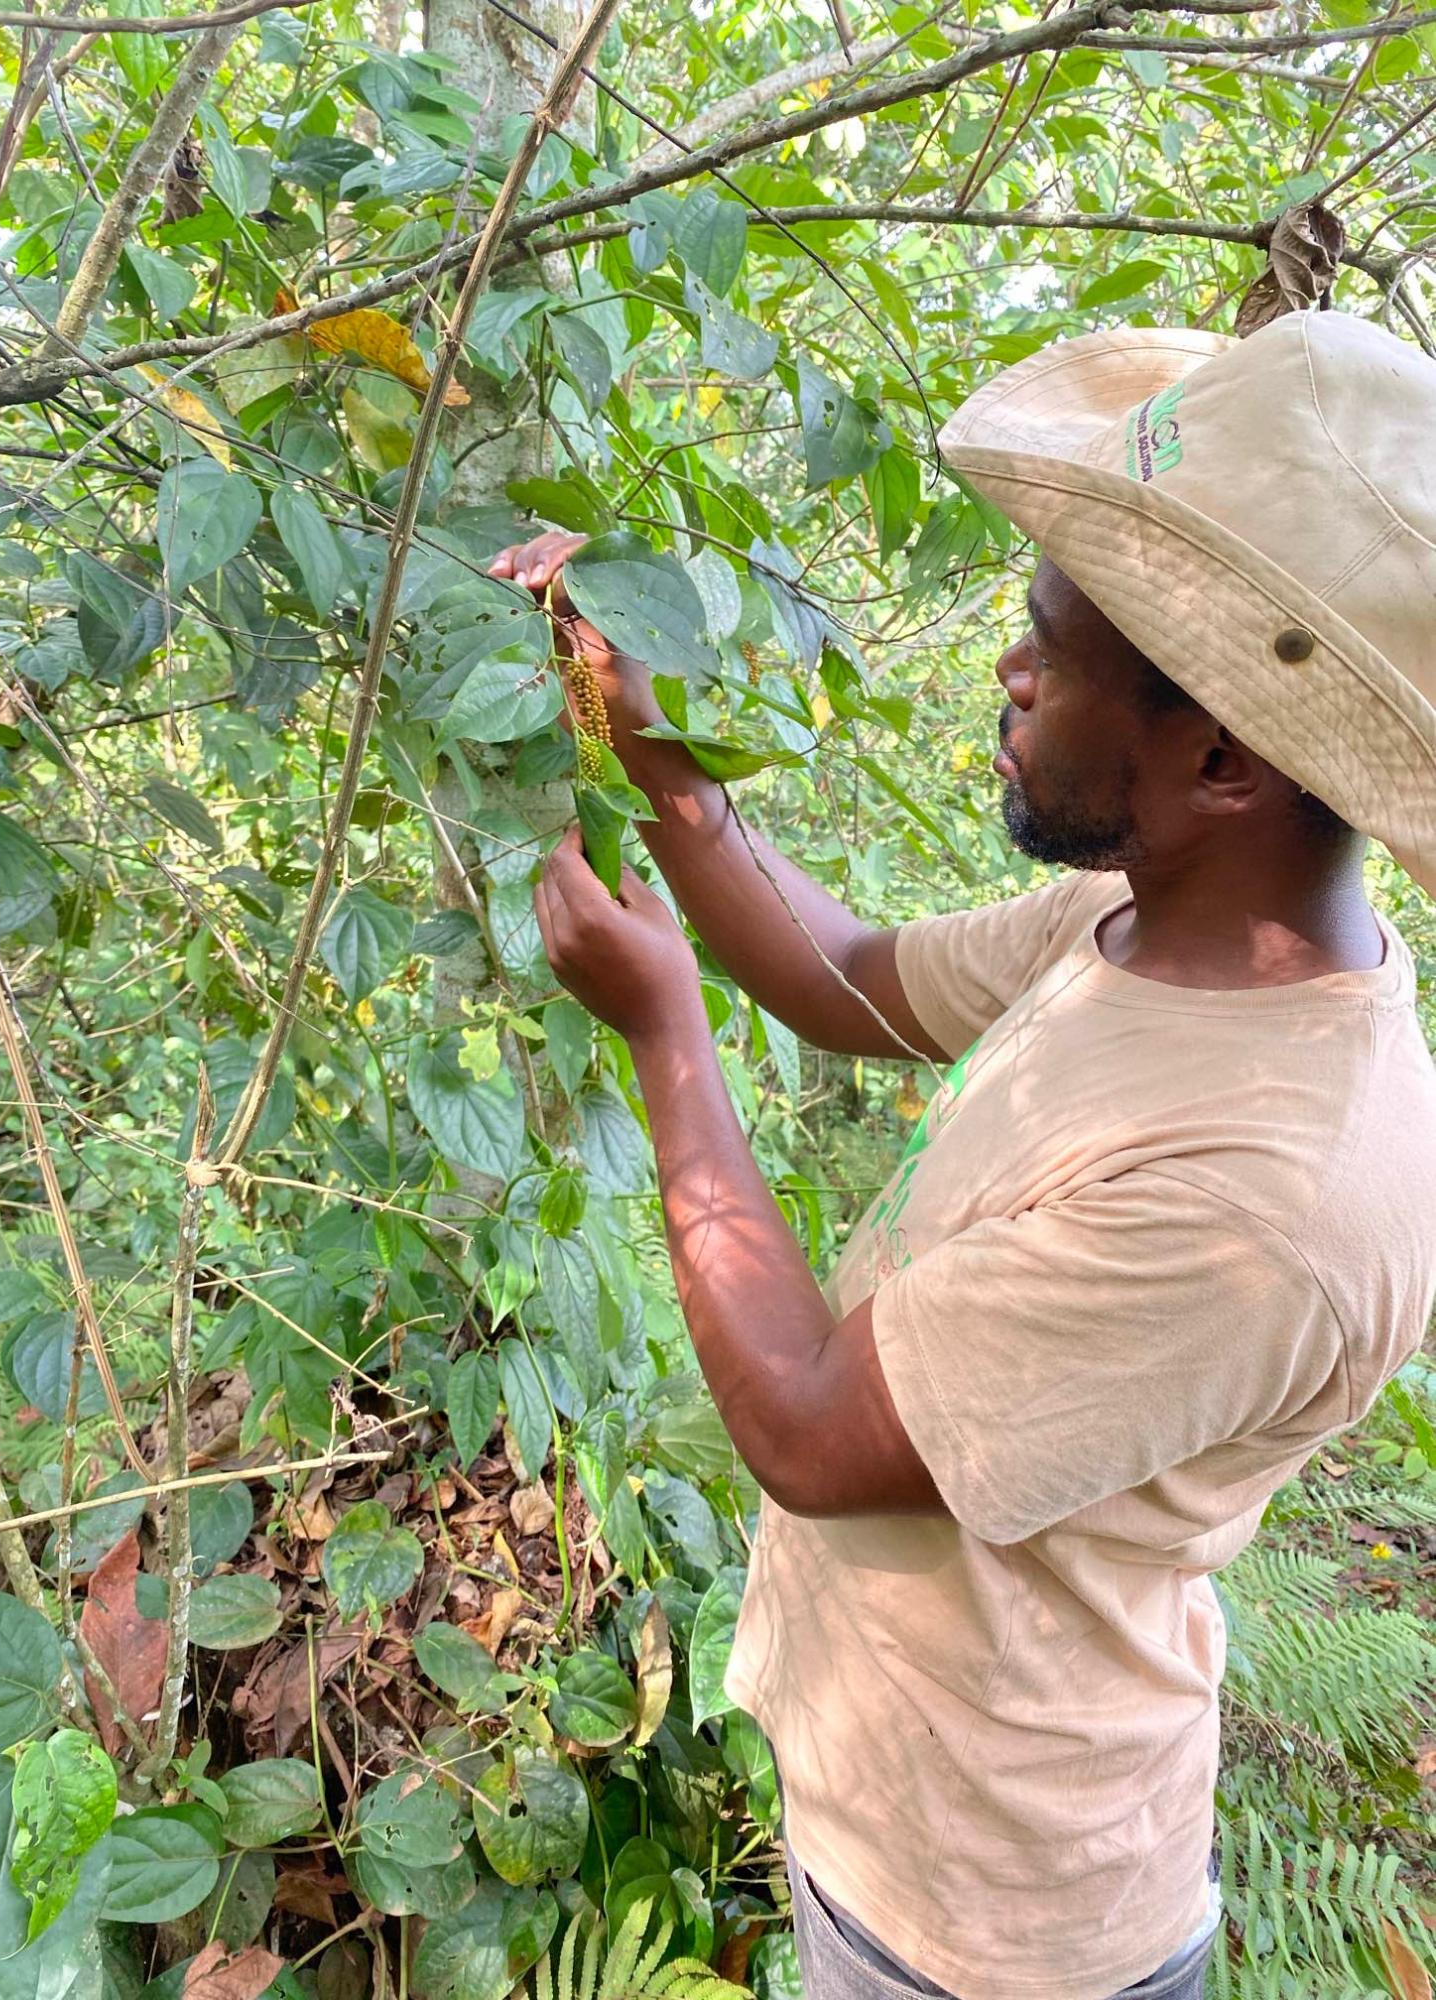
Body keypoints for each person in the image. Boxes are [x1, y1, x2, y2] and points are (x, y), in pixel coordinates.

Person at [486, 308, 1436, 2000]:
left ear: (1221, 757)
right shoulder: (1155, 922)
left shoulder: (1266, 1198)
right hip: (901, 1808)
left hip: (992, 1920)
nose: (1009, 671)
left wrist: (664, 1036)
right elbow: (850, 979)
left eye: (1046, 647)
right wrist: (657, 756)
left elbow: (803, 1424)